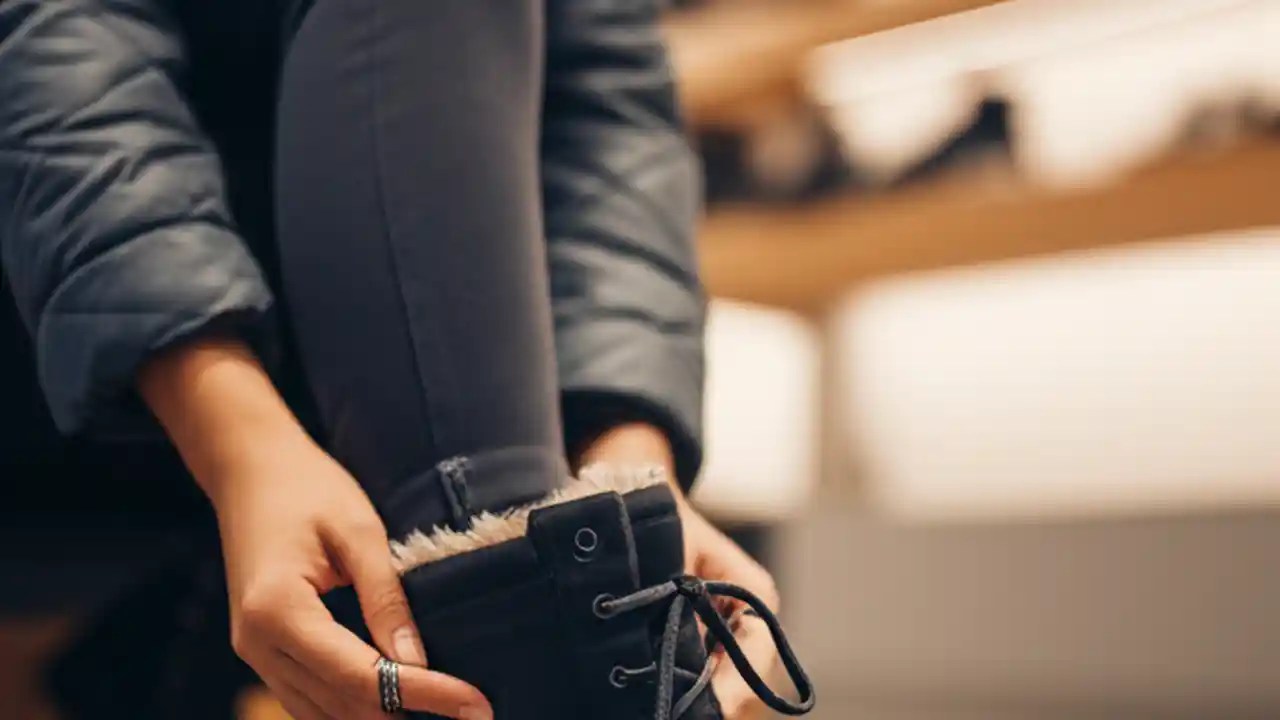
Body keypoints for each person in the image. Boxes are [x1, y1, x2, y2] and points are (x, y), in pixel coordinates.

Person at [1, 1, 813, 719]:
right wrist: (237, 438)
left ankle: (521, 626)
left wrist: (629, 472)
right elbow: (59, 44)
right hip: (77, 342)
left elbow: (602, 94)